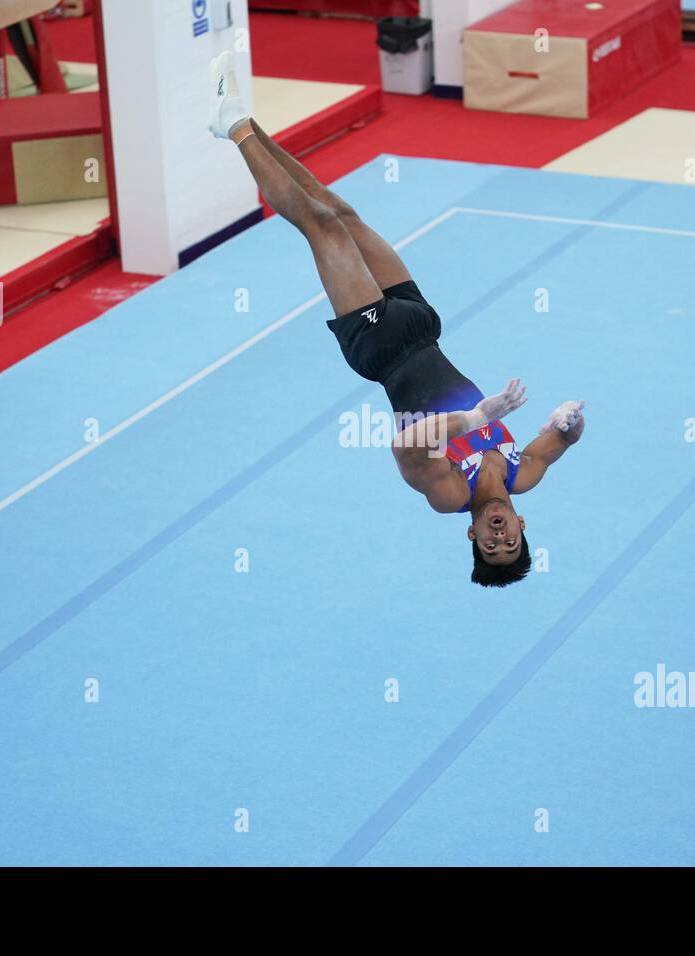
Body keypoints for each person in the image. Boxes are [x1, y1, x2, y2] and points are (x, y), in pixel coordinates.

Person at [208, 52, 585, 586]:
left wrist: (476, 419)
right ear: (522, 526)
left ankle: (235, 125)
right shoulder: (524, 475)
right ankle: (241, 122)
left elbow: (405, 446)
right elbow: (563, 439)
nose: (500, 538)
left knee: (321, 228)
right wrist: (570, 419)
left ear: (472, 537)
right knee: (340, 212)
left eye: (491, 547)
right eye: (511, 542)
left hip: (380, 349)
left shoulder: (449, 494)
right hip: (422, 327)